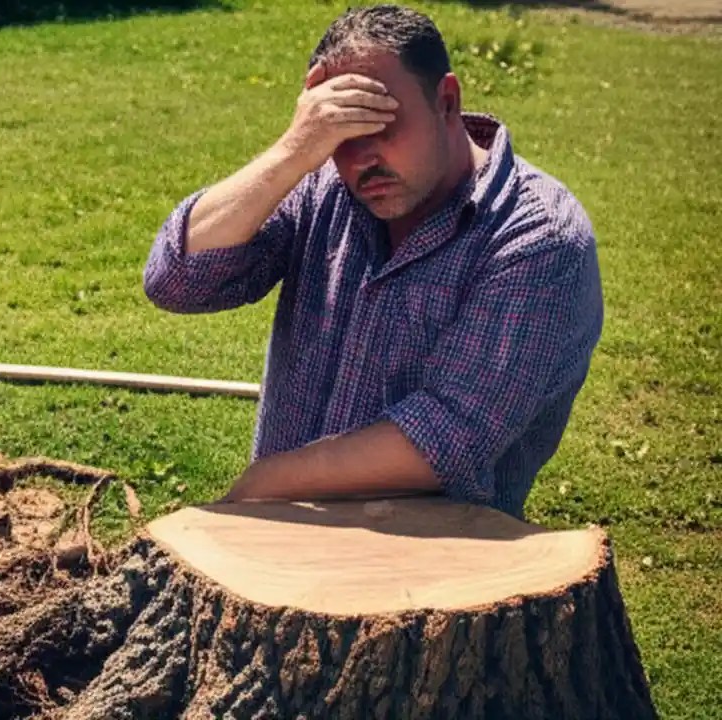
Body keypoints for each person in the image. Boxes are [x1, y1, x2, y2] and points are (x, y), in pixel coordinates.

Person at [142, 4, 602, 519]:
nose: (362, 159)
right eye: (340, 134)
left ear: (446, 100)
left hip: (436, 576)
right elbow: (176, 279)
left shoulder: (538, 236)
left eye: (381, 122)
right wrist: (295, 149)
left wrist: (267, 481)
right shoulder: (326, 185)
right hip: (279, 555)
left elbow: (447, 435)